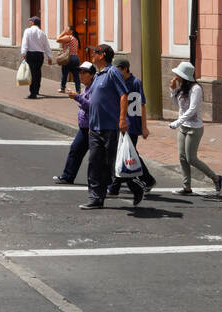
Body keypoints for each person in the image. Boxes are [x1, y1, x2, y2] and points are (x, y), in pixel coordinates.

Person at [80, 43, 143, 209]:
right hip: (95, 129)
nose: (92, 55)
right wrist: (91, 125)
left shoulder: (113, 72)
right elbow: (95, 101)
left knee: (114, 163)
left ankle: (136, 186)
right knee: (94, 163)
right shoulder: (98, 76)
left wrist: (122, 119)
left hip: (111, 127)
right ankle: (95, 199)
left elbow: (124, 95)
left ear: (102, 56)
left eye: (95, 53)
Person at [168, 61, 222, 195]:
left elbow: (192, 109)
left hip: (194, 128)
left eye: (178, 74)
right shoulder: (182, 88)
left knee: (191, 158)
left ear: (184, 76)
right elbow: (177, 105)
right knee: (182, 157)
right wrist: (173, 89)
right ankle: (187, 187)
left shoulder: (196, 89)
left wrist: (177, 122)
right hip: (184, 127)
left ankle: (215, 178)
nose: (176, 76)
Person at [106, 58, 155, 196]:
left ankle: (115, 187)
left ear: (125, 68)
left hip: (131, 124)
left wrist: (144, 127)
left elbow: (142, 105)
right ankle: (147, 179)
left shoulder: (135, 83)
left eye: (118, 69)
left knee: (124, 153)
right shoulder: (117, 81)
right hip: (120, 123)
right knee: (128, 153)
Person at [53, 61, 96, 185]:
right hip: (85, 127)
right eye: (80, 72)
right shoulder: (87, 87)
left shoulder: (95, 88)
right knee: (75, 150)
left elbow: (92, 106)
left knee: (100, 159)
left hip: (92, 128)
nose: (81, 75)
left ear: (92, 74)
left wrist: (77, 97)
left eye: (84, 72)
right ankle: (67, 176)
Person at [19, 15, 54, 99]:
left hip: (31, 54)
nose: (29, 22)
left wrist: (23, 53)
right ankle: (37, 89)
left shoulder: (27, 31)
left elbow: (25, 43)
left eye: (30, 21)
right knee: (38, 72)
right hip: (39, 55)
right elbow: (46, 46)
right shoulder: (42, 33)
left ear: (33, 22)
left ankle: (33, 93)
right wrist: (49, 57)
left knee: (31, 73)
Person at [55, 25, 81, 94]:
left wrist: (63, 33)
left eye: (67, 29)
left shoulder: (69, 37)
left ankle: (62, 88)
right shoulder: (75, 39)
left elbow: (57, 40)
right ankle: (78, 90)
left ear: (71, 31)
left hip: (69, 58)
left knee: (64, 73)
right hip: (75, 57)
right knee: (76, 75)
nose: (66, 30)